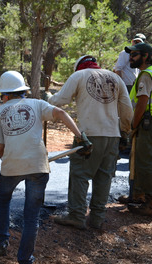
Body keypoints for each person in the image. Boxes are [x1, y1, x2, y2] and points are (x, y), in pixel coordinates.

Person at [0, 71, 90, 264]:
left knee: (3, 199)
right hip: (38, 167)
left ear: (5, 95)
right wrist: (81, 138)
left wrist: (11, 163)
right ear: (22, 91)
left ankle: (0, 242)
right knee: (31, 217)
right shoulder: (37, 104)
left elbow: (0, 149)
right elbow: (60, 112)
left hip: (11, 166)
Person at [48, 55, 133, 229]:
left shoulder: (79, 76)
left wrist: (48, 98)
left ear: (78, 66)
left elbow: (60, 100)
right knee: (104, 177)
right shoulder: (115, 78)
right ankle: (97, 219)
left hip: (88, 136)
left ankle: (77, 216)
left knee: (80, 175)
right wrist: (124, 132)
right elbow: (126, 109)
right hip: (112, 136)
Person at [125, 42, 152, 216]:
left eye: (135, 54)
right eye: (130, 54)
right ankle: (140, 196)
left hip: (147, 124)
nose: (131, 57)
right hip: (151, 123)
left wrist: (133, 126)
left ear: (145, 56)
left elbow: (141, 104)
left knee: (146, 163)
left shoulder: (145, 75)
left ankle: (150, 204)